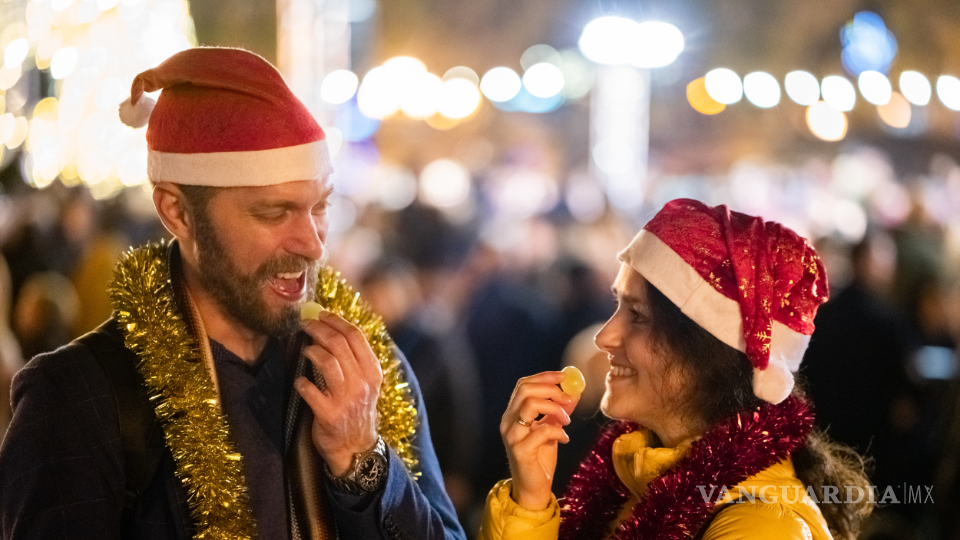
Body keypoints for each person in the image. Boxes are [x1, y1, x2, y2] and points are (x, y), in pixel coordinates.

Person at [0, 48, 465, 540]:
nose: (312, 243)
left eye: (320, 207)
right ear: (177, 212)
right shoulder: (76, 398)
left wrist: (364, 464)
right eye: (274, 213)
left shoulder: (362, 369)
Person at [478, 199, 874, 540]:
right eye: (617, 306)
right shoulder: (635, 478)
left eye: (637, 315)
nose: (604, 337)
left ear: (707, 351)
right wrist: (530, 500)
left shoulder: (762, 527)